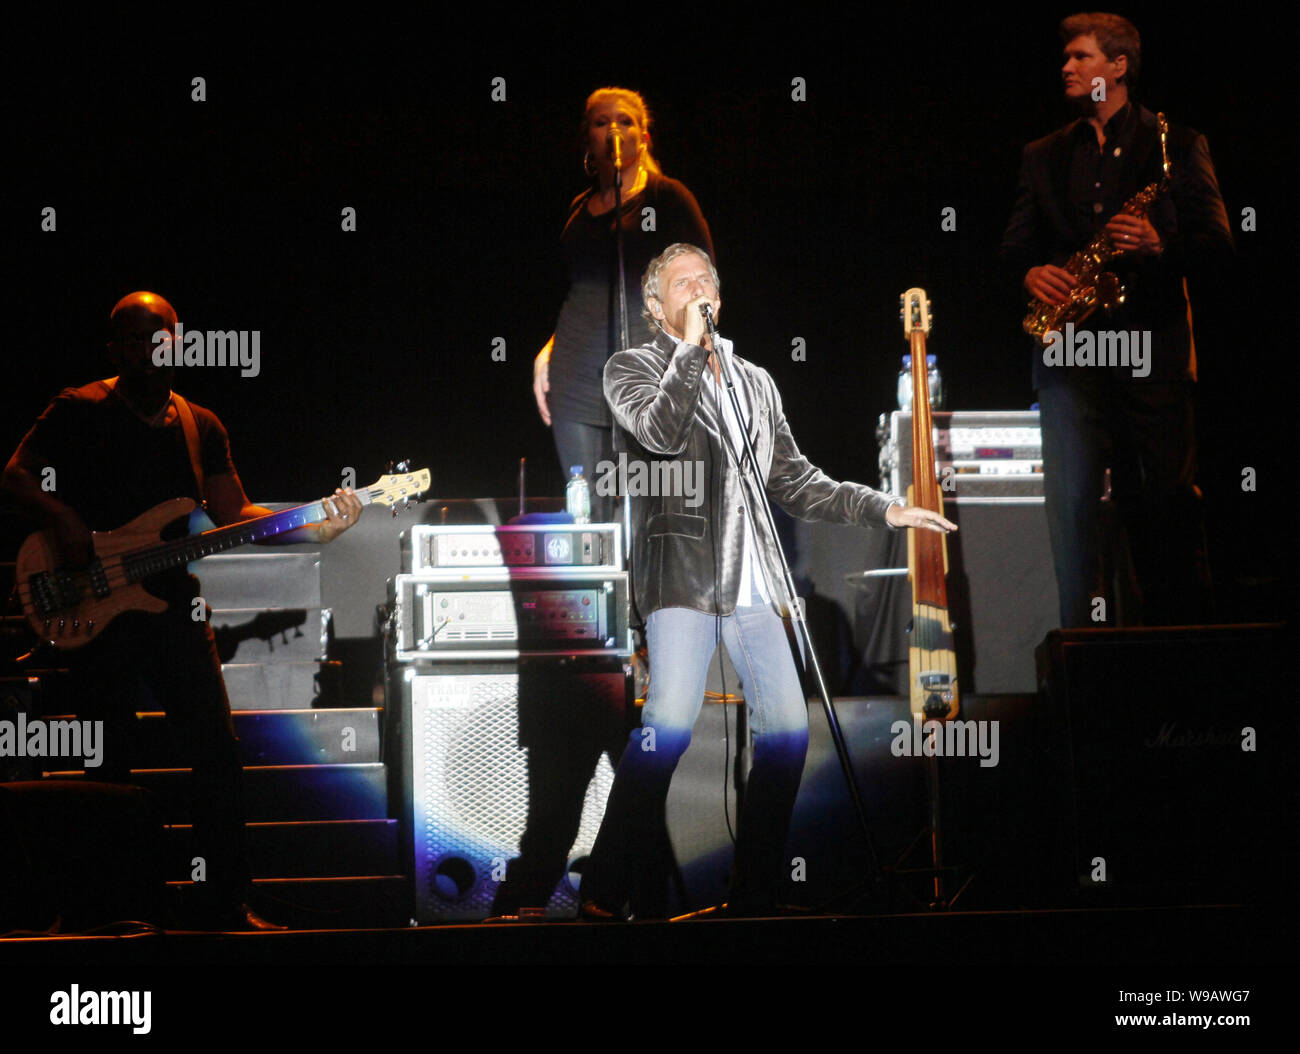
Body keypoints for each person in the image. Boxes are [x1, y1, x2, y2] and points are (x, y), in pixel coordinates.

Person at [579, 244, 956, 917]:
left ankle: (753, 895)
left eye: (706, 281)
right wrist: (690, 353)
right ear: (655, 306)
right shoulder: (631, 368)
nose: (698, 290)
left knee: (786, 734)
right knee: (666, 726)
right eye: (682, 283)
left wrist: (884, 506)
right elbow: (662, 435)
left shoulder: (755, 381)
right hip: (682, 583)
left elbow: (796, 481)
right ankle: (603, 892)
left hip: (757, 588)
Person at [2, 291, 363, 930]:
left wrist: (316, 523)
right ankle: (97, 910)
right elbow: (15, 475)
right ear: (115, 349)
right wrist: (61, 515)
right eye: (133, 340)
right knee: (102, 761)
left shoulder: (200, 423)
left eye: (159, 337)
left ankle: (224, 901)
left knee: (217, 753)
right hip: (92, 608)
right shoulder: (78, 407)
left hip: (171, 609)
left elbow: (233, 515)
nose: (149, 351)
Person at [1000, 13, 1233, 628]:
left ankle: (1180, 640)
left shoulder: (1175, 144)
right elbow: (1014, 250)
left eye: (1080, 57)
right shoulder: (1043, 154)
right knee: (1071, 508)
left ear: (1118, 67)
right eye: (1067, 58)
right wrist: (1030, 274)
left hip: (1149, 350)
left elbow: (1217, 245)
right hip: (1070, 353)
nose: (1066, 67)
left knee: (1163, 501)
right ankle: (1079, 649)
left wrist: (1160, 246)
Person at [532, 87, 713, 522]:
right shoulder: (579, 210)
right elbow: (582, 290)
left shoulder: (668, 199)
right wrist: (548, 352)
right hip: (575, 374)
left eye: (625, 120)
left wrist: (697, 353)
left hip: (650, 369)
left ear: (643, 138)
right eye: (601, 121)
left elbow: (702, 285)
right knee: (586, 511)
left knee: (649, 513)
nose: (614, 128)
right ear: (588, 141)